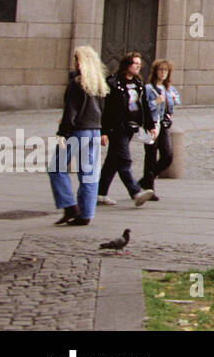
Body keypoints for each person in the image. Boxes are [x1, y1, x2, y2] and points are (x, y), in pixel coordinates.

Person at [49, 46, 108, 226]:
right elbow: (103, 111)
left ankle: (69, 206)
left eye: (76, 59)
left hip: (78, 131)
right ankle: (86, 214)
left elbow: (71, 111)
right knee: (88, 173)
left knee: (56, 167)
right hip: (94, 131)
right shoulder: (99, 83)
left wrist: (62, 133)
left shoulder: (76, 83)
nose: (74, 62)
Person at [98, 52, 155, 207]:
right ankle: (135, 191)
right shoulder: (113, 83)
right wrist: (103, 131)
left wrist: (150, 125)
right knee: (124, 159)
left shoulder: (138, 83)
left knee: (112, 162)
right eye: (135, 63)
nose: (138, 66)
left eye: (139, 63)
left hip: (132, 126)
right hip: (118, 126)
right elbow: (106, 109)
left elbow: (144, 105)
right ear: (126, 65)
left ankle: (100, 194)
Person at [140, 59, 180, 199]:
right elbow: (144, 106)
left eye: (165, 70)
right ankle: (149, 188)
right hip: (152, 124)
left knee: (167, 156)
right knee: (150, 156)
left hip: (163, 125)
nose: (163, 73)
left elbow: (177, 100)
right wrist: (155, 102)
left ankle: (146, 179)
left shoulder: (168, 88)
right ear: (155, 71)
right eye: (161, 70)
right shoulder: (148, 88)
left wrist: (174, 98)